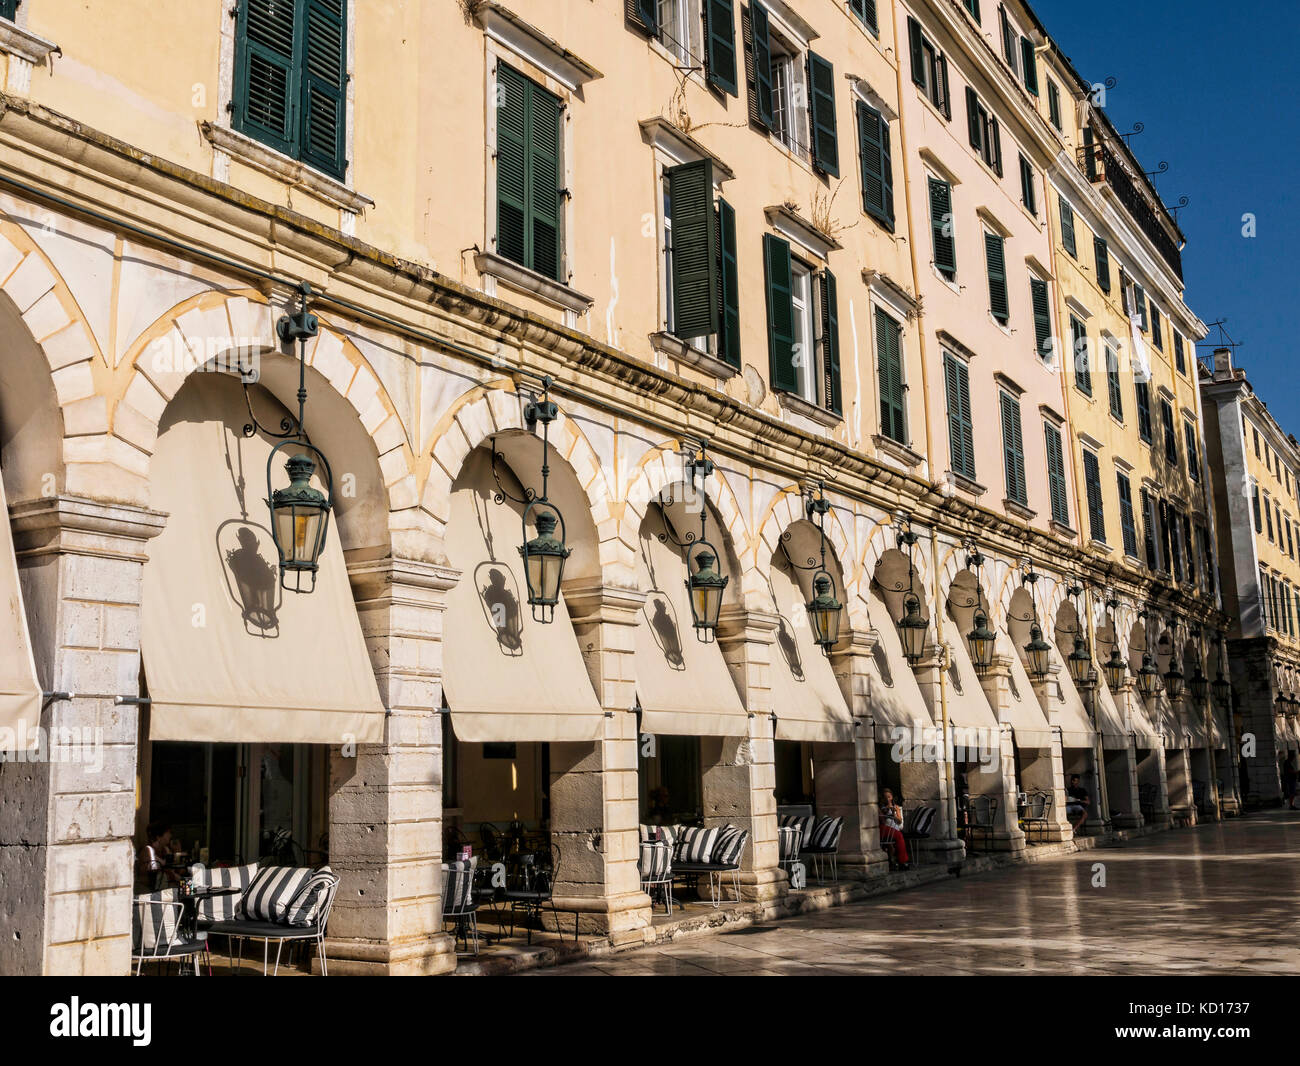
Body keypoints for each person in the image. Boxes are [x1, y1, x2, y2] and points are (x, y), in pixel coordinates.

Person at [137, 822, 177, 891]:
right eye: (167, 833)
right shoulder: (148, 851)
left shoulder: (165, 849)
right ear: (158, 837)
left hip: (165, 886)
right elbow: (148, 874)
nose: (170, 835)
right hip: (152, 890)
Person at [879, 788, 910, 869]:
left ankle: (899, 861)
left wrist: (894, 813)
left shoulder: (896, 807)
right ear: (882, 799)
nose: (887, 799)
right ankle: (897, 861)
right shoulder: (881, 808)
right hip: (886, 830)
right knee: (891, 843)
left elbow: (899, 821)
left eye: (889, 797)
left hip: (894, 829)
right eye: (885, 797)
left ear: (891, 797)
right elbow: (882, 821)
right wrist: (886, 810)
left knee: (896, 840)